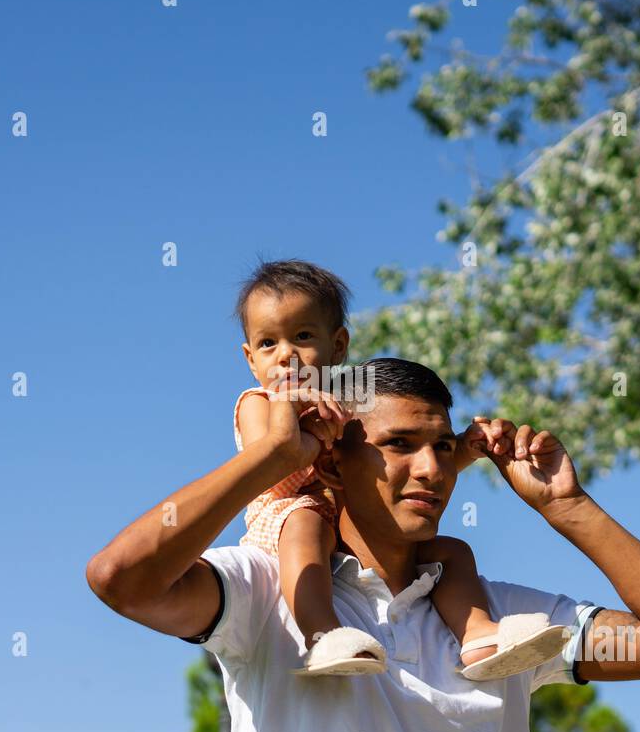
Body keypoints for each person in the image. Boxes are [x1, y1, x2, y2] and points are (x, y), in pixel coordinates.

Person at [85, 356, 640, 732]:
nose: (432, 469)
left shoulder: (504, 619)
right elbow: (122, 579)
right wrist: (273, 457)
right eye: (399, 444)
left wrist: (568, 508)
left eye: (444, 447)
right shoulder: (266, 592)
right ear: (334, 459)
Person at [230, 259, 570, 679]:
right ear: (250, 358)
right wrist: (292, 419)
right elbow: (273, 465)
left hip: (340, 520)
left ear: (337, 346)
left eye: (302, 336)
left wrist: (466, 448)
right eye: (268, 344)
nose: (286, 355)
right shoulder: (259, 403)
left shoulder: (349, 404)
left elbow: (400, 470)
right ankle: (323, 635)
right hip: (288, 515)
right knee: (307, 523)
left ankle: (479, 635)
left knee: (452, 552)